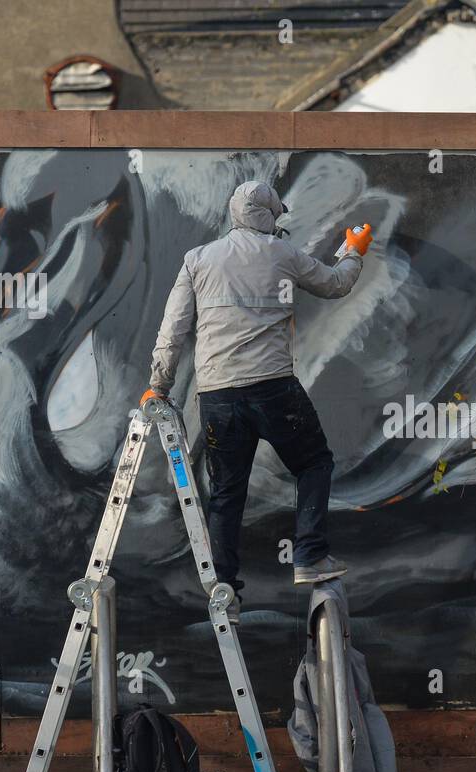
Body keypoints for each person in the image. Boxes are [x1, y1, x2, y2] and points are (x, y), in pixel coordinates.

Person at [142, 180, 372, 615]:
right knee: (314, 462)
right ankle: (310, 555)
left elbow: (173, 330)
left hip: (217, 396)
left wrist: (159, 385)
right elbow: (335, 284)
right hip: (272, 388)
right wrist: (354, 251)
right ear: (268, 216)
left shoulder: (197, 260)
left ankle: (224, 591)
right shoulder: (282, 254)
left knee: (226, 493)